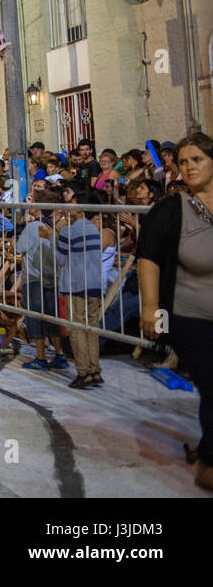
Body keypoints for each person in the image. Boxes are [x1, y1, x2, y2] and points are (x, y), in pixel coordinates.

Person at [136, 133, 213, 492]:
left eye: (196, 159)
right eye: (182, 161)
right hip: (189, 313)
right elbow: (148, 256)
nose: (188, 167)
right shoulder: (173, 208)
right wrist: (151, 310)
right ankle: (209, 462)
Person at [55, 186, 105, 388]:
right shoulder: (94, 229)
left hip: (76, 284)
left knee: (76, 329)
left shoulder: (68, 230)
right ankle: (95, 370)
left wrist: (54, 236)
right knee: (92, 329)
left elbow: (60, 258)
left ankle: (83, 371)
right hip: (94, 283)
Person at [15, 190, 69, 371]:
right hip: (52, 277)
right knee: (51, 317)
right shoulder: (52, 228)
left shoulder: (32, 227)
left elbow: (19, 248)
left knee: (35, 316)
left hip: (34, 277)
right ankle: (60, 354)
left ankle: (40, 357)